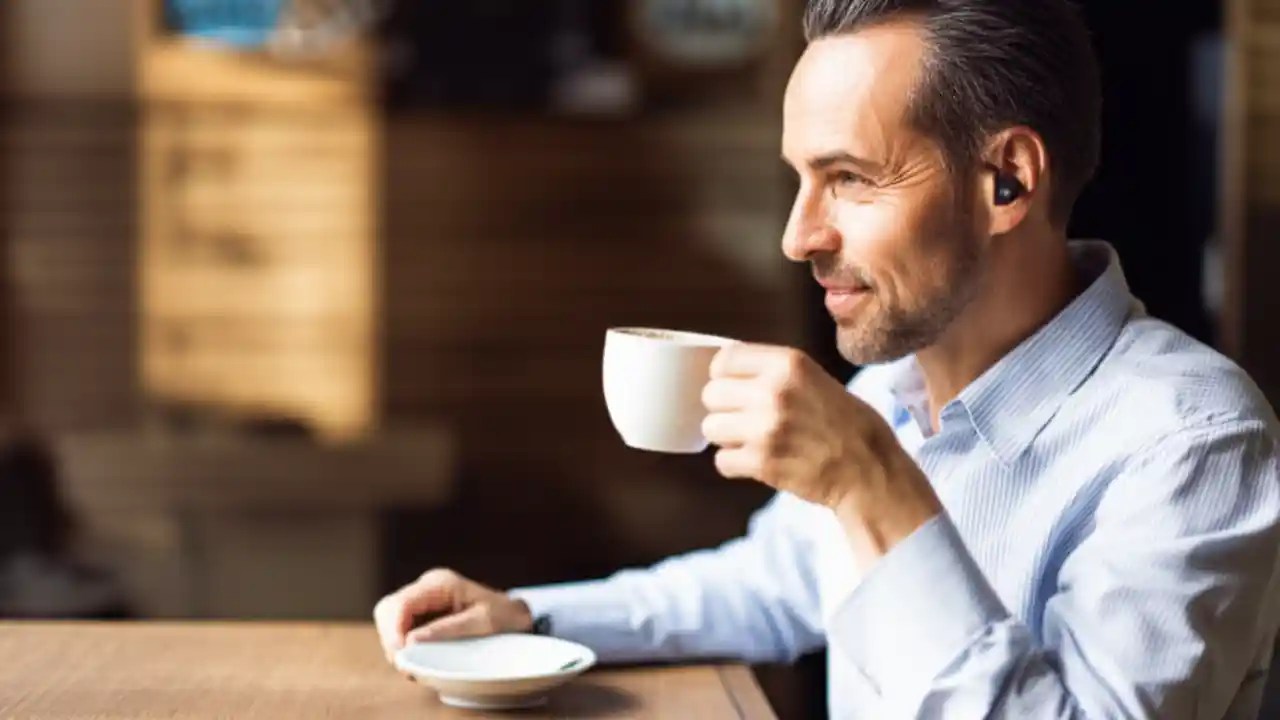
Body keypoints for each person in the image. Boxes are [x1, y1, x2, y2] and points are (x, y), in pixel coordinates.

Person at [374, 1, 1280, 717]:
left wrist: (870, 483)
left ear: (1005, 179)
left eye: (848, 178)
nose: (797, 236)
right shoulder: (892, 386)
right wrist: (530, 616)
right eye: (801, 179)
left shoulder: (1193, 442)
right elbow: (771, 584)